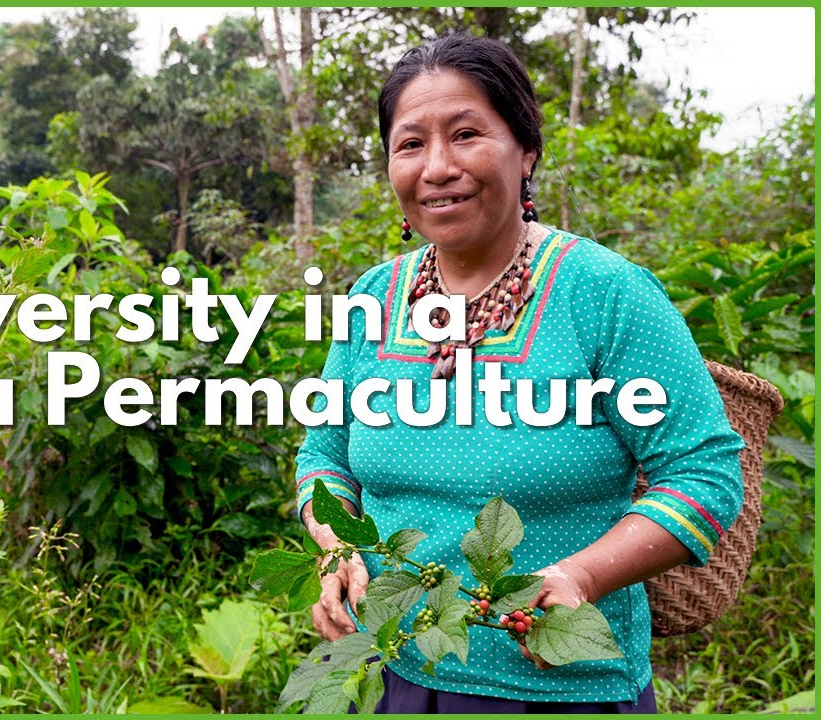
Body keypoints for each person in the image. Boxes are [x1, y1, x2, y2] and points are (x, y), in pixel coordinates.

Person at [294, 33, 744, 713]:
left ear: (525, 150)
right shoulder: (372, 300)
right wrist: (335, 548)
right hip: (392, 673)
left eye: (467, 133)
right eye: (410, 144)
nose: (438, 166)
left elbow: (705, 475)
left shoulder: (604, 294)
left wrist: (580, 576)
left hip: (555, 687)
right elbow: (323, 455)